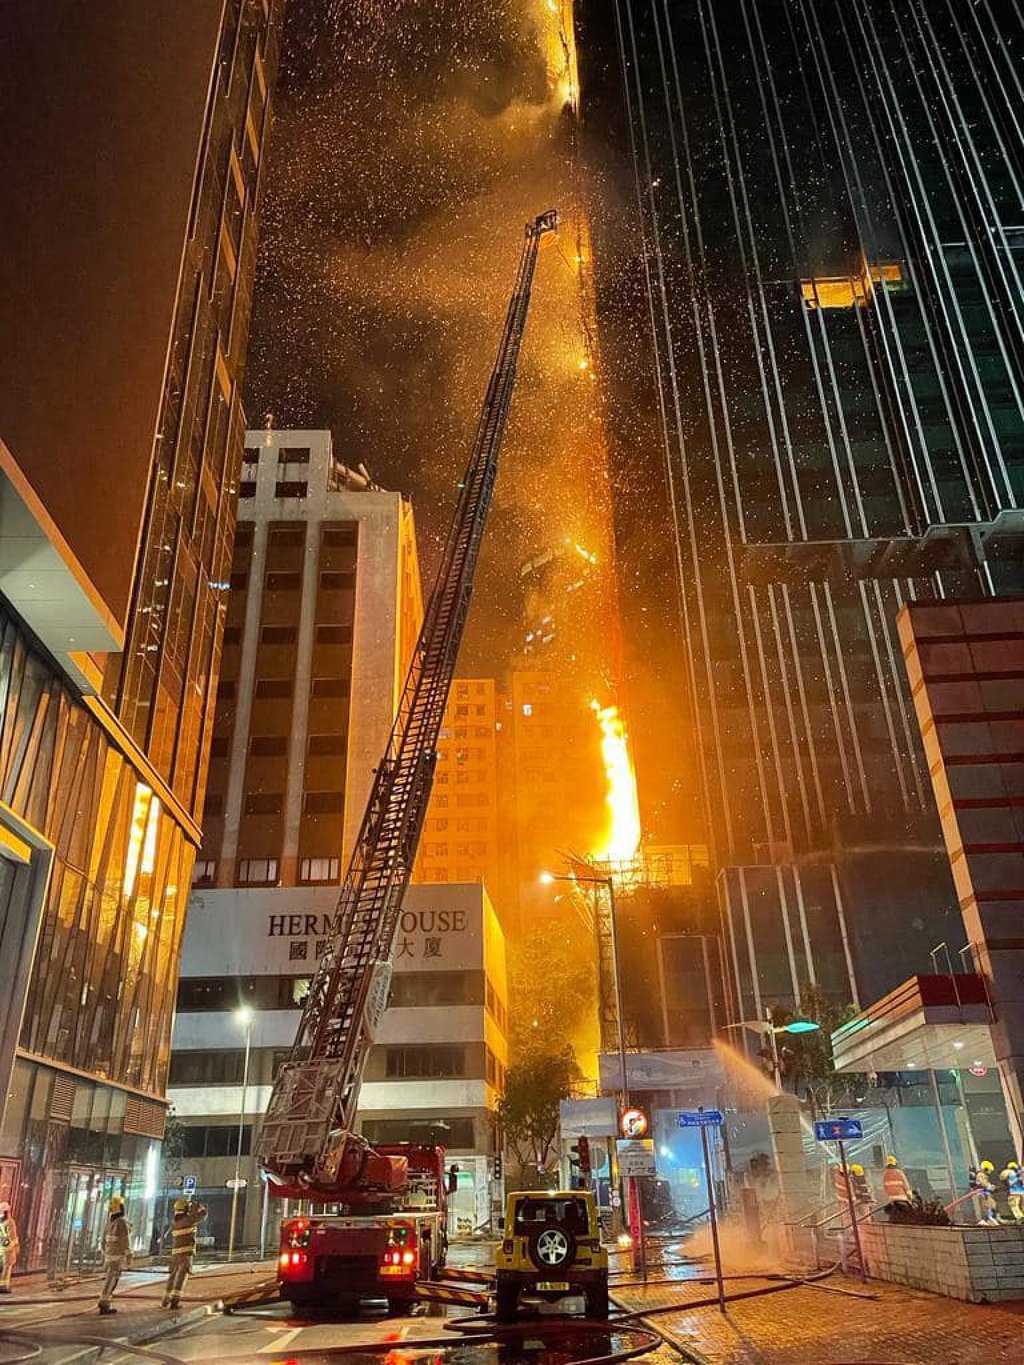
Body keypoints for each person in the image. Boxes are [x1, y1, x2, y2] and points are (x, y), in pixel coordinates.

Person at [162, 1197, 207, 1309]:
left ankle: (166, 1299)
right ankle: (175, 1301)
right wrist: (196, 1205)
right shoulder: (188, 1220)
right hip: (186, 1254)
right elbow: (203, 1214)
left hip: (175, 1254)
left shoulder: (175, 1222)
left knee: (172, 1276)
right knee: (181, 1277)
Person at [98, 1195, 132, 1315]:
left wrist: (106, 1253)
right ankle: (104, 1304)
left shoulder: (110, 1222)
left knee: (109, 1279)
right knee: (112, 1280)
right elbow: (125, 1240)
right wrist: (129, 1256)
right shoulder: (122, 1222)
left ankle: (105, 1302)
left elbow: (102, 1241)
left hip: (109, 1256)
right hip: (117, 1257)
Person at [973, 1160, 1000, 1226]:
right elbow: (984, 1184)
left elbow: (986, 1183)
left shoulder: (983, 1175)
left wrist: (992, 1186)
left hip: (986, 1193)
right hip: (984, 1193)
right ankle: (988, 1219)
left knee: (992, 1205)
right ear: (986, 1169)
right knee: (988, 1206)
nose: (990, 1172)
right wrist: (990, 1187)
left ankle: (990, 1218)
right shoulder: (980, 1175)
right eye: (989, 1170)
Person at [0, 1202, 19, 1293]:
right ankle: (3, 1286)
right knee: (7, 1267)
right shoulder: (10, 1222)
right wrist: (16, 1245)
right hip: (7, 1248)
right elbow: (13, 1236)